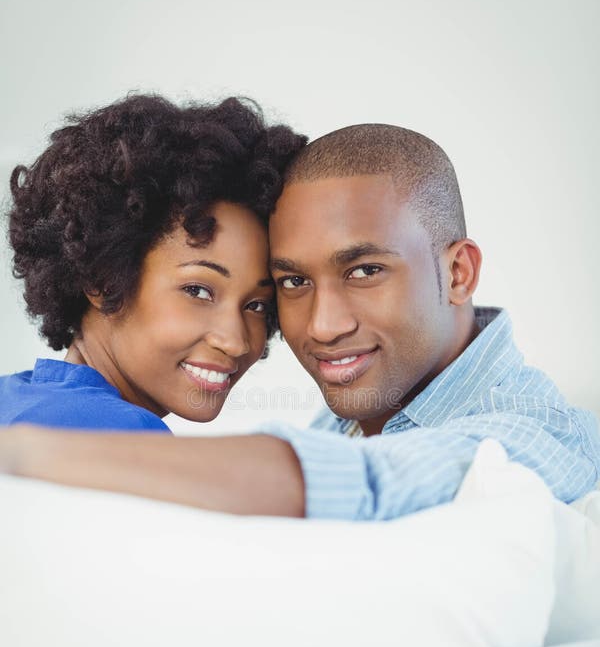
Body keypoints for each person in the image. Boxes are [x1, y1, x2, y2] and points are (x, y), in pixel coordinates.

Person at [1, 123, 599, 517]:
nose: (321, 326)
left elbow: (373, 485)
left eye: (365, 270)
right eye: (293, 282)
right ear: (103, 282)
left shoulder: (543, 432)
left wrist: (22, 457)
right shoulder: (352, 412)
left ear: (460, 273)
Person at [0, 94, 305, 431]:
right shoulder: (123, 436)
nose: (236, 341)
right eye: (198, 290)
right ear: (103, 279)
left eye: (257, 306)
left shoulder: (11, 397)